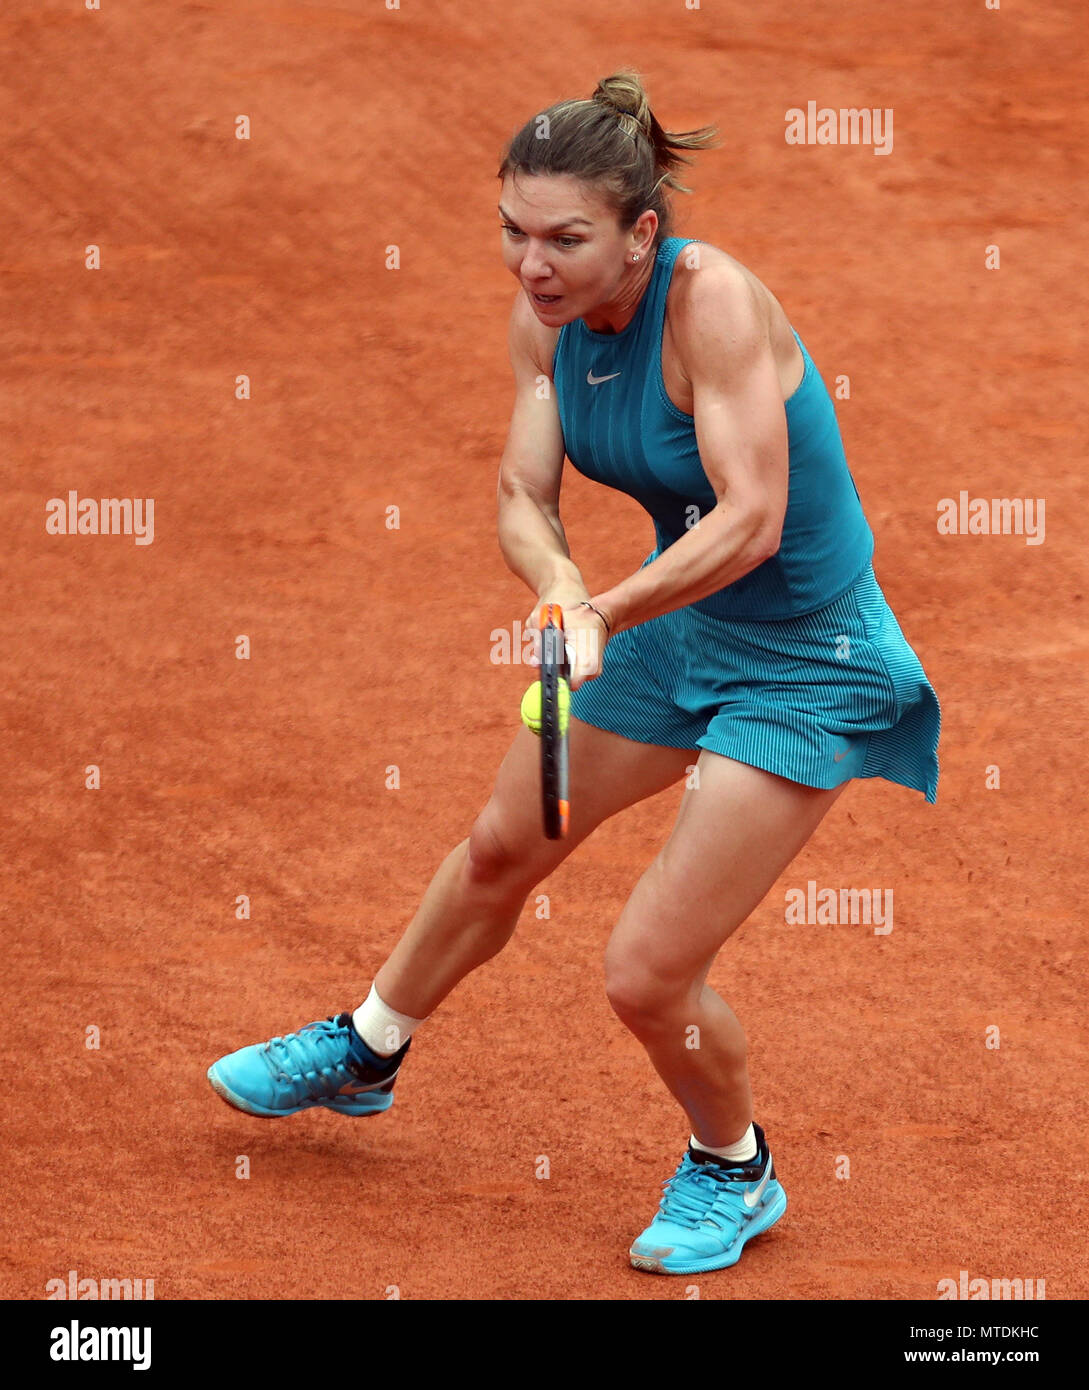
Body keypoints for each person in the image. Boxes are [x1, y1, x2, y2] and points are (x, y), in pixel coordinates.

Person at [207, 69, 940, 1278]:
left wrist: (600, 604)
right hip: (674, 626)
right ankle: (370, 1047)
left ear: (641, 232)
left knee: (646, 972)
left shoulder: (716, 305)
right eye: (513, 232)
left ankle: (735, 1166)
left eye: (564, 238)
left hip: (808, 662)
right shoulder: (546, 321)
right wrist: (557, 586)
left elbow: (754, 519)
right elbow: (520, 494)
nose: (531, 265)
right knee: (505, 841)